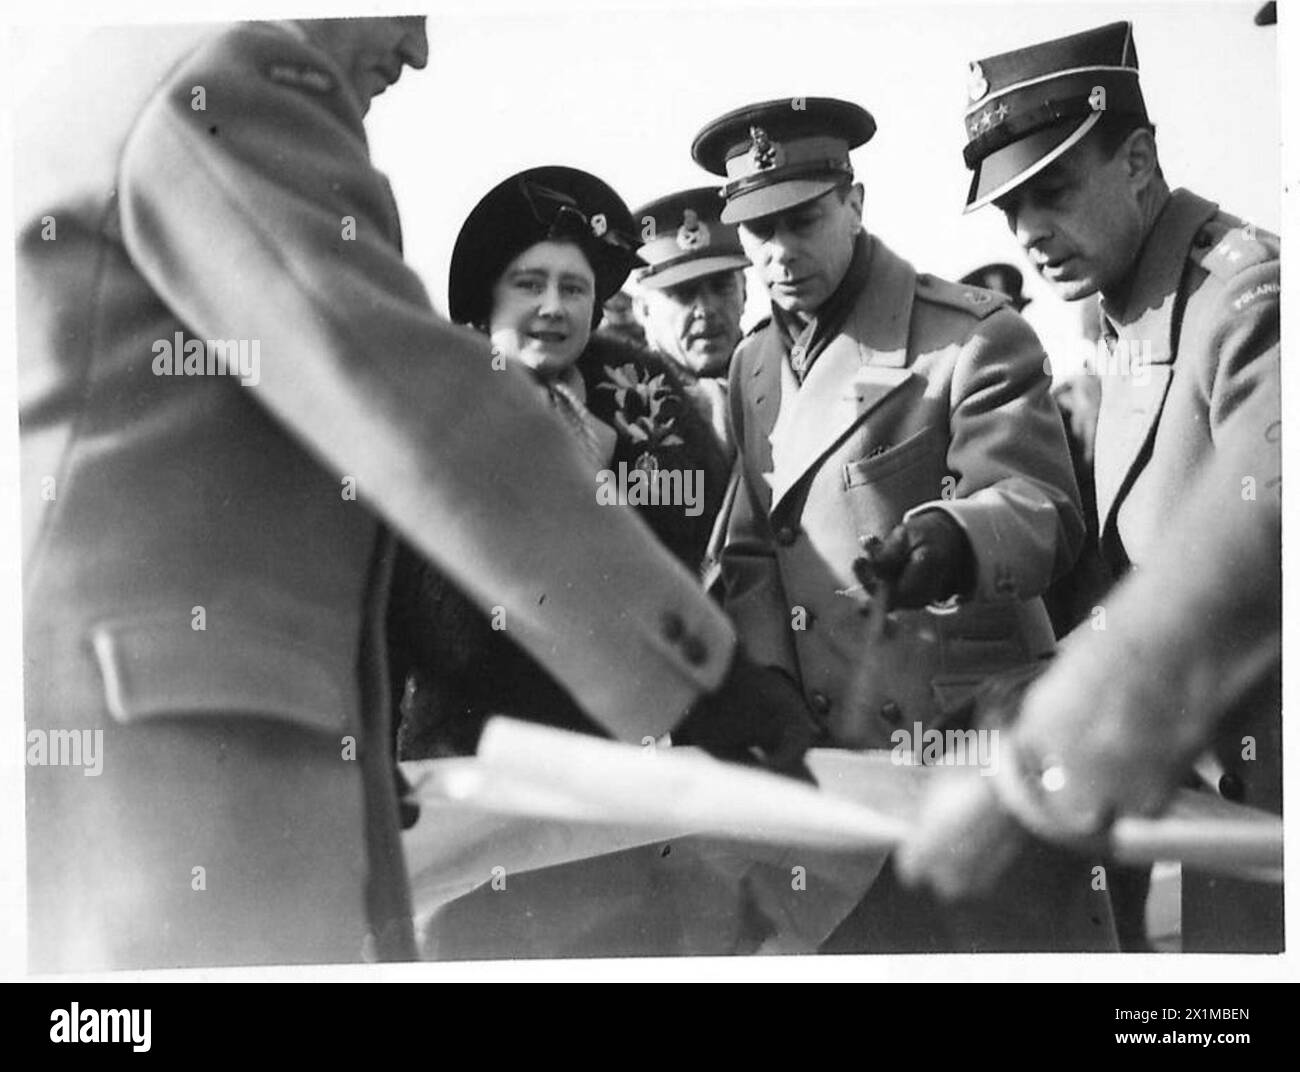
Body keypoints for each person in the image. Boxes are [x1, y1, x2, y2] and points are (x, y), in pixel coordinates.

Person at [18, 18, 809, 971]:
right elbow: (404, 395)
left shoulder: (100, 65)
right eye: (407, 7)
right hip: (182, 755)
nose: (420, 50)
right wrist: (698, 673)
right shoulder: (230, 73)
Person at [692, 97, 1112, 951]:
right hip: (825, 762)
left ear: (855, 202)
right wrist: (769, 683)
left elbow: (1041, 508)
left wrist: (955, 538)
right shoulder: (751, 367)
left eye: (804, 220)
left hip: (960, 752)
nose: (780, 253)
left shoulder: (969, 337)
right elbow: (747, 550)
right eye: (758, 231)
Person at [900, 20, 1282, 953]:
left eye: (1054, 190)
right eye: (1009, 210)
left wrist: (1053, 747)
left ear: (1140, 161)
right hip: (1206, 802)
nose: (1029, 231)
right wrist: (1029, 687)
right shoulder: (1135, 311)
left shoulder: (1248, 296)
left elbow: (1270, 521)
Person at [388, 166, 731, 757]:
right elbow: (382, 629)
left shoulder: (646, 399)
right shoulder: (421, 410)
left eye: (573, 289)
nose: (553, 307)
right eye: (529, 284)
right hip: (467, 759)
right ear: (487, 296)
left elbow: (691, 578)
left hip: (617, 758)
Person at [631, 186, 750, 459]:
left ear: (745, 292)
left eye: (721, 287)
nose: (706, 310)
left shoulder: (787, 379)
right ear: (643, 309)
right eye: (683, 292)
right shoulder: (621, 405)